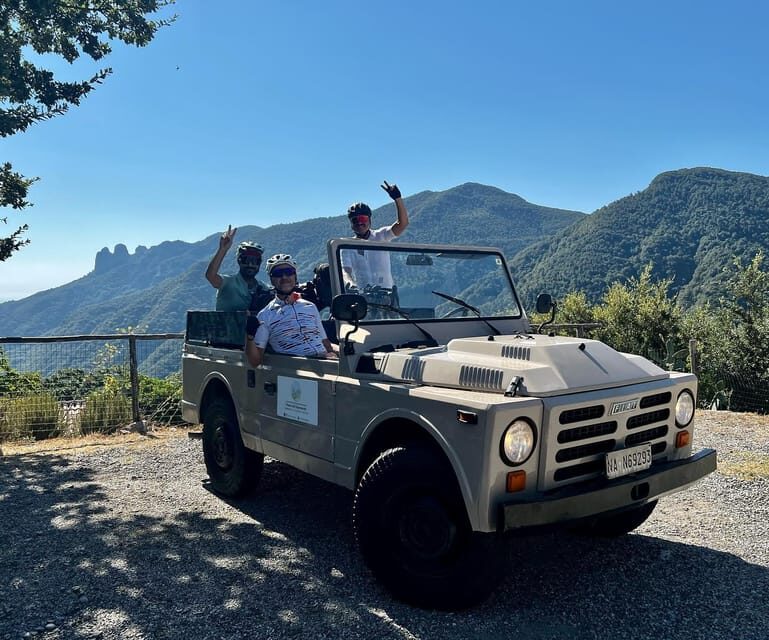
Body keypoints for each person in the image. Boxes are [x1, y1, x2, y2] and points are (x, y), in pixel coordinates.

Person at [246, 254, 338, 367]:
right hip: (297, 368)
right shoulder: (265, 315)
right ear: (271, 279)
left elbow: (325, 343)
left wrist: (340, 353)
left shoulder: (310, 307)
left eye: (288, 272)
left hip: (326, 364)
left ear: (295, 276)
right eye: (278, 274)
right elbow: (255, 362)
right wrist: (249, 336)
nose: (284, 277)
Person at [341, 180, 409, 290]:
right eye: (355, 220)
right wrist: (350, 283)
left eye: (363, 218)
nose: (359, 222)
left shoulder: (381, 236)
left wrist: (397, 198)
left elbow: (403, 224)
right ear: (351, 224)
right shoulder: (346, 247)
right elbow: (345, 270)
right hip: (363, 296)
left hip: (387, 294)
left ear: (369, 220)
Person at [205, 225, 271, 312]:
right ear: (239, 261)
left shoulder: (264, 288)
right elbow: (210, 276)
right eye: (246, 260)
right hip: (226, 325)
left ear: (260, 263)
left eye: (255, 261)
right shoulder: (228, 282)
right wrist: (222, 249)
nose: (250, 264)